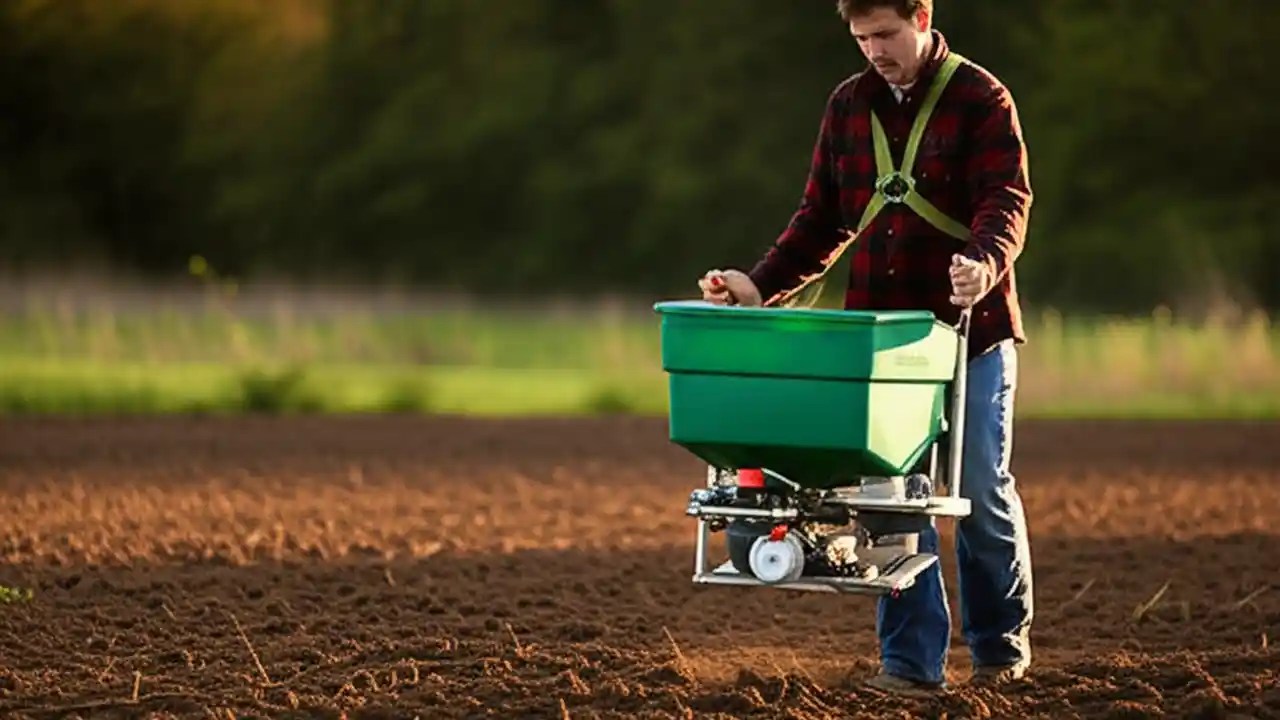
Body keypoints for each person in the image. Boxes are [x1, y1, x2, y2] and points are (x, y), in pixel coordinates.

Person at [697, 0, 1034, 697]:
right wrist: (756, 286)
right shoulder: (848, 105)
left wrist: (985, 259)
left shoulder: (980, 96)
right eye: (860, 38)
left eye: (884, 34)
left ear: (922, 15)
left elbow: (1007, 198)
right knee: (892, 503)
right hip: (880, 353)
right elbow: (820, 219)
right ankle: (911, 668)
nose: (873, 50)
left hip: (970, 335)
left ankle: (1000, 650)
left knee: (976, 491)